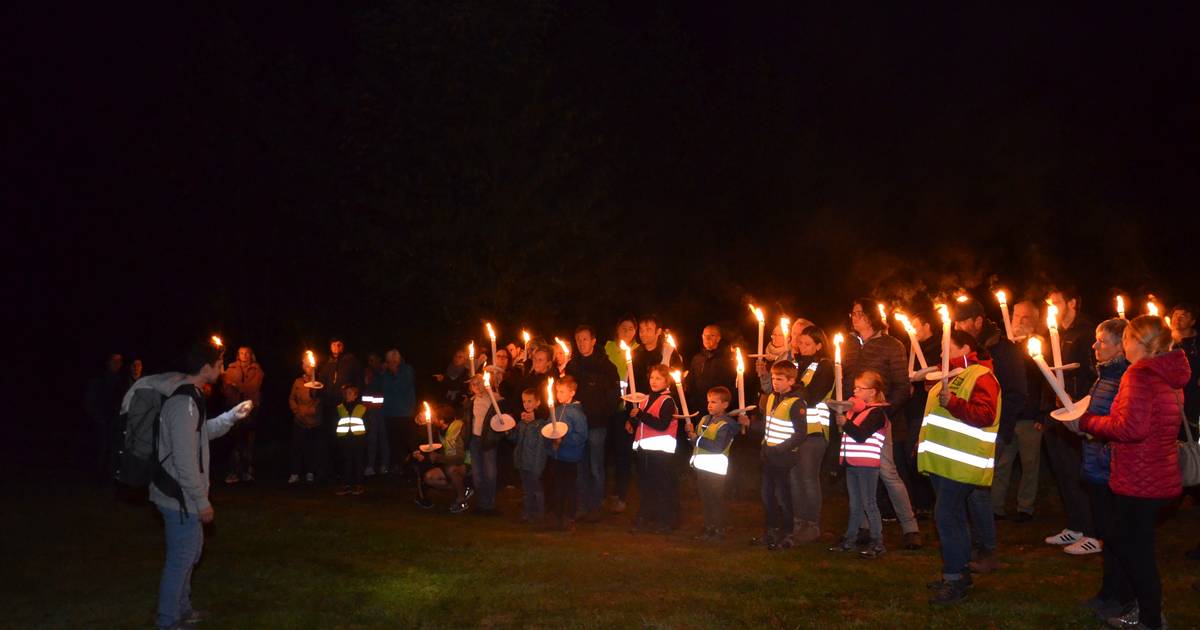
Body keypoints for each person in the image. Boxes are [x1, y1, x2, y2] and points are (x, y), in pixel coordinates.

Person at [1075, 315, 1188, 630]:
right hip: (1159, 472)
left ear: (1136, 341)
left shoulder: (1139, 374)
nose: (1124, 345)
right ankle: (1143, 609)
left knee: (1131, 549)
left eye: (1126, 338)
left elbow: (1131, 428)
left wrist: (1087, 421)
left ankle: (1150, 618)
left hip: (1139, 476)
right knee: (1135, 546)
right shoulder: (1169, 373)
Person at [151, 338, 253, 630]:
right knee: (181, 558)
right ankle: (169, 620)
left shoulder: (191, 397)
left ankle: (182, 610)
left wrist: (231, 416)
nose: (223, 369)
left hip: (183, 496)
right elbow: (184, 460)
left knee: (191, 553)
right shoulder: (183, 403)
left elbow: (201, 433)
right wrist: (201, 501)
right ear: (206, 367)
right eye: (219, 364)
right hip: (179, 497)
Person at [918, 330, 1001, 605]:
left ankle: (954, 579)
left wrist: (953, 403)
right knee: (952, 517)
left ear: (965, 348)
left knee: (946, 516)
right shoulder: (948, 375)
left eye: (947, 348)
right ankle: (959, 574)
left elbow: (986, 414)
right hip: (944, 463)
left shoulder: (982, 376)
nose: (941, 353)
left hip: (964, 463)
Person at [953, 298, 1027, 570]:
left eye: (962, 322)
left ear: (978, 321)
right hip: (966, 429)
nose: (957, 327)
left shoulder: (1004, 350)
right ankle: (972, 545)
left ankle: (986, 551)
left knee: (977, 491)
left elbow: (1017, 393)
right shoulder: (962, 349)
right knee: (966, 490)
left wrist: (1001, 432)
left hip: (988, 432)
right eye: (955, 322)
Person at [843, 298, 921, 549]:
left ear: (871, 317)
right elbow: (844, 379)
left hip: (880, 420)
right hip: (854, 418)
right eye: (852, 312)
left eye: (859, 313)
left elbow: (902, 386)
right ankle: (864, 526)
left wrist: (882, 412)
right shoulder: (849, 344)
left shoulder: (891, 345)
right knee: (858, 471)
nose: (854, 317)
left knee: (887, 472)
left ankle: (909, 527)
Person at [1075, 319, 1132, 620]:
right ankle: (1108, 592)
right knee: (1107, 536)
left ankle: (1122, 597)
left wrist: (1086, 424)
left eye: (1102, 341)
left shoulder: (1124, 378)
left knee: (1118, 537)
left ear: (1122, 346)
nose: (1095, 345)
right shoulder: (1105, 375)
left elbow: (1121, 423)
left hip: (1111, 467)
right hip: (1097, 464)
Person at [1041, 288, 1099, 551]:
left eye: (1056, 302)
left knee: (1078, 471)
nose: (1051, 307)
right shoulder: (1056, 333)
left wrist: (1076, 399)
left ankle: (1091, 530)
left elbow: (1093, 373)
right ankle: (1075, 526)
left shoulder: (1086, 333)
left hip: (1077, 411)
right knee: (1063, 472)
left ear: (1072, 302)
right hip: (1054, 413)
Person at [990, 300, 1044, 523]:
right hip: (1008, 415)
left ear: (1036, 320)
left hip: (1030, 417)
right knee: (1002, 463)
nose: (1020, 321)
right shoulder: (1002, 347)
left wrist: (1042, 413)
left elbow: (1045, 380)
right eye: (1016, 316)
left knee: (1030, 464)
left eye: (1026, 317)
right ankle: (995, 506)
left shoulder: (1039, 346)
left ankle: (1025, 507)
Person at [744, 360, 806, 550]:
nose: (775, 382)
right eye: (773, 378)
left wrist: (779, 449)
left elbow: (801, 434)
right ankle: (771, 531)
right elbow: (766, 425)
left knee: (783, 496)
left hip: (783, 457)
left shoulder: (796, 403)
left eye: (779, 379)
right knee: (767, 495)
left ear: (791, 381)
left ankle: (787, 534)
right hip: (768, 455)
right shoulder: (771, 397)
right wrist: (750, 424)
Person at [830, 370, 890, 559]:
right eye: (855, 387)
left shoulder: (877, 413)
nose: (854, 391)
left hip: (867, 466)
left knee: (869, 503)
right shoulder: (857, 412)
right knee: (855, 504)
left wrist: (846, 423)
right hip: (852, 464)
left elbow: (861, 435)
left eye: (860, 388)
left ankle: (877, 542)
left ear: (872, 392)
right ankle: (850, 540)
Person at [564, 325, 620, 522]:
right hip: (577, 425)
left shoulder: (606, 366)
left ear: (594, 341)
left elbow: (614, 395)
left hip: (597, 424)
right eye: (578, 339)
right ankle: (582, 505)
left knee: (596, 466)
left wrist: (604, 412)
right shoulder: (572, 366)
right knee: (580, 466)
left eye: (585, 339)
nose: (581, 343)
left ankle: (596, 506)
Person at [789, 325, 835, 543]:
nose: (802, 347)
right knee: (794, 477)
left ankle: (812, 524)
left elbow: (814, 396)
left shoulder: (825, 366)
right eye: (800, 343)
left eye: (808, 344)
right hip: (793, 432)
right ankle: (798, 521)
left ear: (819, 345)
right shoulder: (796, 365)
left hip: (814, 431)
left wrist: (792, 387)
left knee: (808, 477)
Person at [628, 364, 679, 534]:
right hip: (645, 450)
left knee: (662, 485)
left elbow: (662, 424)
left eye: (658, 378)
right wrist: (633, 420)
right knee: (645, 485)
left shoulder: (667, 401)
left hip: (661, 451)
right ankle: (647, 515)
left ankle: (666, 519)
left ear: (666, 381)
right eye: (652, 377)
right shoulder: (645, 398)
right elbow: (642, 421)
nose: (654, 381)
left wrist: (641, 415)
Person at [687, 386, 737, 541]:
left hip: (715, 469)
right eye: (709, 401)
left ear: (725, 404)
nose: (709, 405)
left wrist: (696, 439)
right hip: (702, 467)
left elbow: (717, 446)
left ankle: (718, 528)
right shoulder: (704, 419)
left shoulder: (726, 424)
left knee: (715, 499)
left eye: (714, 402)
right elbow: (696, 442)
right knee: (706, 499)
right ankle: (709, 527)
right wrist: (691, 435)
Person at [603, 315, 639, 513]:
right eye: (624, 328)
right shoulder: (607, 348)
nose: (627, 332)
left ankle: (621, 494)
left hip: (625, 409)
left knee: (622, 453)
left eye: (631, 329)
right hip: (606, 407)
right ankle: (601, 493)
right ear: (617, 329)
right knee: (603, 451)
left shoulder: (637, 351)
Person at [544, 376, 588, 531]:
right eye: (557, 391)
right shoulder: (556, 410)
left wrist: (564, 440)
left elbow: (581, 435)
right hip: (556, 456)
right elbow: (549, 427)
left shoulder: (577, 413)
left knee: (569, 487)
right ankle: (556, 515)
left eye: (562, 392)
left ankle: (569, 516)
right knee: (557, 486)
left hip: (570, 458)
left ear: (572, 393)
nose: (558, 395)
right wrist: (551, 440)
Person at [413, 403, 470, 513]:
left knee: (451, 470)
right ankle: (463, 489)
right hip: (450, 462)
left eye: (435, 417)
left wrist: (438, 458)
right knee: (430, 477)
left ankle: (461, 500)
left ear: (442, 421)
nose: (432, 419)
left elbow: (458, 458)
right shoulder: (442, 429)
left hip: (467, 463)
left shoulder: (455, 430)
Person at [319, 337, 362, 480]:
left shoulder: (351, 362)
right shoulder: (327, 364)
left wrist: (353, 397)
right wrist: (316, 391)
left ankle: (349, 472)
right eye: (333, 344)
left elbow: (358, 381)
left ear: (343, 346)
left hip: (345, 407)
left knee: (346, 440)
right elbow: (321, 384)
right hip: (330, 406)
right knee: (331, 438)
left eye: (339, 344)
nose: (336, 347)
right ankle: (332, 471)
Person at [221, 346, 263, 484]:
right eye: (241, 353)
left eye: (246, 353)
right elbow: (226, 389)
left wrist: (235, 384)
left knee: (248, 440)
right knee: (234, 440)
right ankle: (233, 472)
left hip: (250, 409)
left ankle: (247, 471)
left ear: (251, 355)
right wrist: (229, 385)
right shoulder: (231, 369)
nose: (243, 355)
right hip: (234, 408)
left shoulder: (257, 370)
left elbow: (252, 388)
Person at [464, 375, 505, 515]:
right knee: (477, 473)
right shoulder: (471, 401)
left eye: (479, 383)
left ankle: (490, 504)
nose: (476, 386)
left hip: (488, 439)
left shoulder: (494, 398)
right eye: (473, 384)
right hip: (475, 440)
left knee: (490, 473)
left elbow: (502, 413)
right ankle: (481, 503)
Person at [371, 349, 416, 476]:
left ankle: (411, 467)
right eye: (389, 362)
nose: (391, 364)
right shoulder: (384, 374)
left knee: (408, 442)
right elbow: (377, 388)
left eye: (394, 362)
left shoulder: (407, 371)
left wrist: (391, 374)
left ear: (398, 361)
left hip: (405, 413)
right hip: (389, 413)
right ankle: (398, 467)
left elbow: (401, 387)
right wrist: (380, 373)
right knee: (394, 442)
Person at [510, 388, 548, 523]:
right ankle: (528, 512)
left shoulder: (540, 424)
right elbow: (516, 439)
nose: (526, 404)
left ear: (538, 402)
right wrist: (508, 431)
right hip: (522, 461)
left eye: (530, 401)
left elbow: (541, 446)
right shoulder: (522, 422)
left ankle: (540, 513)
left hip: (534, 462)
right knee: (526, 489)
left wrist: (538, 465)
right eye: (524, 401)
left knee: (537, 488)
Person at [85, 352, 124, 482]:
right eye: (114, 361)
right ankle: (98, 477)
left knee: (114, 449)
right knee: (101, 449)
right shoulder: (99, 379)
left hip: (115, 422)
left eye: (119, 361)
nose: (117, 364)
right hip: (102, 422)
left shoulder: (121, 380)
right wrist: (99, 418)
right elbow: (90, 401)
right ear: (108, 362)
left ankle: (111, 477)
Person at [685, 325, 737, 414]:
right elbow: (691, 383)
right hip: (699, 409)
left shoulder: (727, 360)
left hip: (719, 409)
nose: (707, 338)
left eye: (712, 335)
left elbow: (732, 384)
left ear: (718, 338)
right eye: (705, 335)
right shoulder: (697, 359)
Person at [287, 359, 322, 484]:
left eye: (310, 366)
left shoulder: (319, 382)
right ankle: (295, 473)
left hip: (314, 421)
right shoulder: (298, 382)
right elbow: (292, 398)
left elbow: (319, 399)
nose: (308, 368)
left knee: (312, 447)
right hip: (300, 420)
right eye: (306, 366)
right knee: (297, 447)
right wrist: (297, 412)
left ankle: (310, 472)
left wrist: (314, 410)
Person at [334, 383, 368, 496]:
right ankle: (346, 485)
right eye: (346, 393)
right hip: (344, 439)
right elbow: (336, 423)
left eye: (349, 393)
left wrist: (364, 437)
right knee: (346, 462)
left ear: (355, 395)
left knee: (358, 461)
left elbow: (367, 423)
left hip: (358, 439)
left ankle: (359, 484)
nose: (347, 395)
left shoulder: (362, 408)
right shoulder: (340, 407)